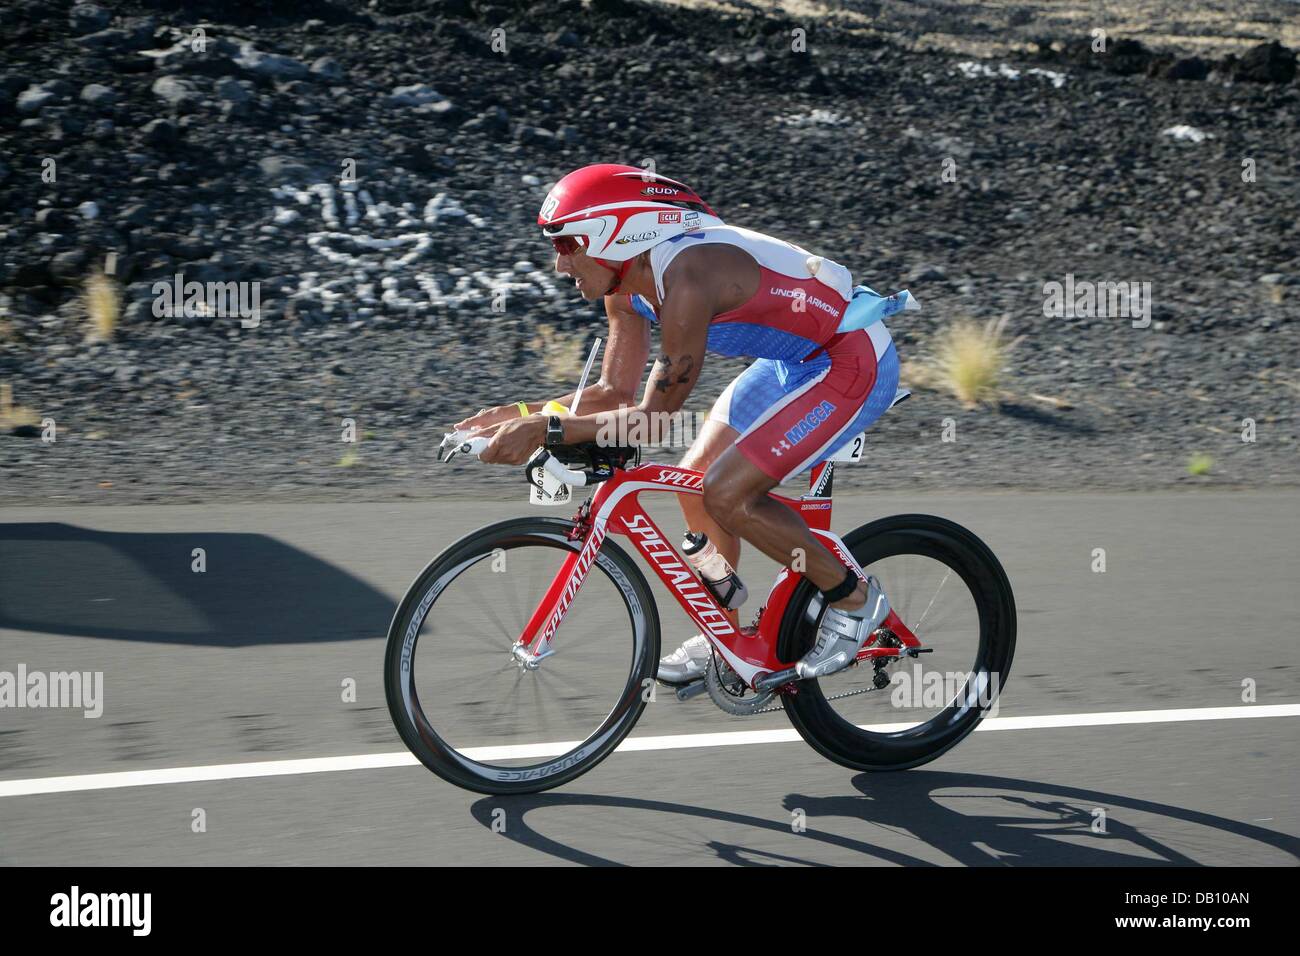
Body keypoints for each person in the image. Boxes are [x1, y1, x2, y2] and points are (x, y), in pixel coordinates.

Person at [456, 164, 903, 685]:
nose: (560, 264)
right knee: (695, 487)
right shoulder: (623, 283)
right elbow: (612, 394)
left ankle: (854, 601)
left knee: (728, 493)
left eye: (569, 244)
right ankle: (727, 638)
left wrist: (547, 433)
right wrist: (522, 415)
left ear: (618, 234)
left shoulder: (689, 278)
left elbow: (650, 423)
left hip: (850, 363)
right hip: (792, 364)